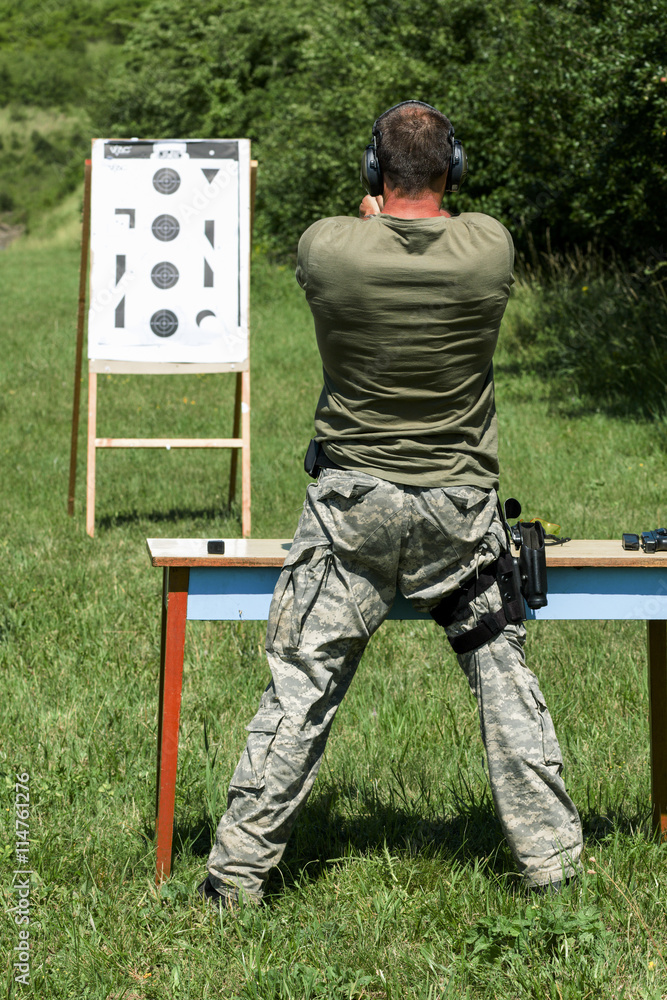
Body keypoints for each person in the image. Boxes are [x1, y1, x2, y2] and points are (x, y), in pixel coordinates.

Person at [199, 100, 583, 908]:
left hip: (351, 511)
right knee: (504, 683)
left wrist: (371, 211)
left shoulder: (329, 248)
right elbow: (441, 223)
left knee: (301, 686)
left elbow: (355, 231)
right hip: (458, 514)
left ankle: (235, 879)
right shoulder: (488, 248)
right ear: (456, 169)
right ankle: (553, 870)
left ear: (373, 171)